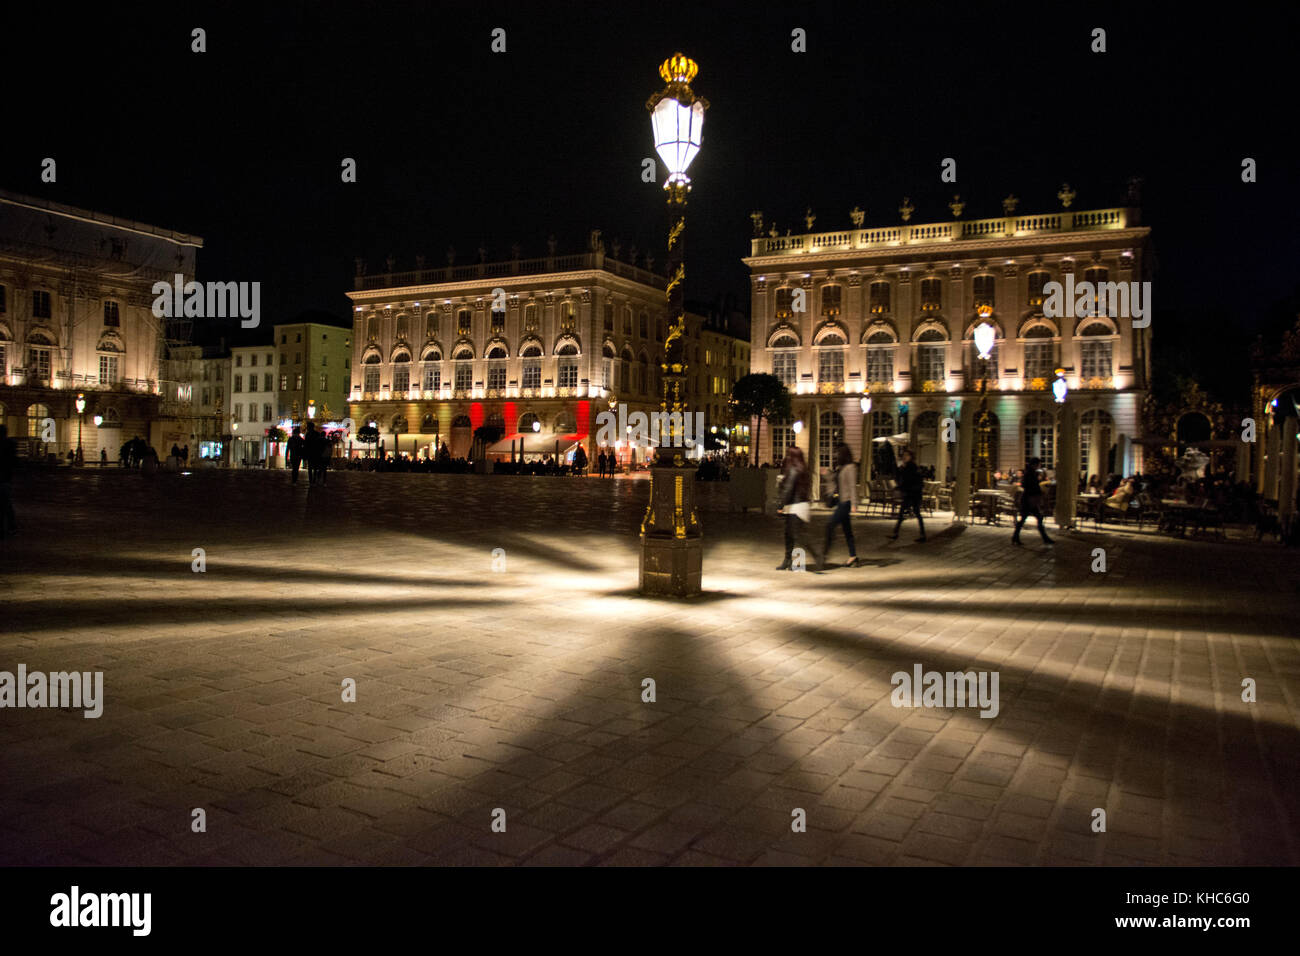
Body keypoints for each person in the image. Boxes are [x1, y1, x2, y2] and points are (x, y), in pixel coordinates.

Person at [776, 446, 820, 570]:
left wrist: (780, 506)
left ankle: (817, 556)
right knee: (789, 534)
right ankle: (787, 560)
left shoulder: (794, 470)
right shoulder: (803, 470)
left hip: (795, 507)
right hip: (801, 506)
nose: (787, 457)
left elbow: (788, 489)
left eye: (788, 455)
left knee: (797, 535)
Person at [823, 442, 859, 568]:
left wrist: (854, 504)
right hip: (840, 501)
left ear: (843, 453)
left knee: (830, 525)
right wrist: (828, 474)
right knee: (847, 530)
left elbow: (852, 486)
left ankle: (824, 554)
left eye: (837, 452)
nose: (835, 454)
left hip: (846, 502)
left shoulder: (850, 467)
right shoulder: (841, 467)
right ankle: (853, 556)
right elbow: (835, 483)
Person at [1013, 456, 1054, 545]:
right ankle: (1045, 538)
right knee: (1036, 518)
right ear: (1035, 464)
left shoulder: (1029, 473)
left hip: (1027, 499)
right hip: (1029, 499)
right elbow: (1030, 486)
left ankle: (1015, 537)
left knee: (1027, 518)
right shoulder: (1031, 473)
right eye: (1039, 464)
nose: (1039, 465)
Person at [888, 448, 926, 542]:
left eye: (906, 455)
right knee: (906, 514)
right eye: (904, 455)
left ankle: (922, 535)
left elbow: (908, 481)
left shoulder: (911, 467)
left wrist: (901, 487)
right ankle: (896, 532)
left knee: (915, 513)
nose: (904, 457)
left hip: (913, 494)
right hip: (911, 494)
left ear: (911, 457)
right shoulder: (908, 467)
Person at [0, 425, 17, 538]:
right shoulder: (11, 444)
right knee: (6, 505)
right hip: (6, 478)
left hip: (2, 478)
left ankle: (3, 528)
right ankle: (11, 527)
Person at [303, 421, 325, 485]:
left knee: (310, 467)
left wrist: (305, 453)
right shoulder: (316, 434)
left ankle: (311, 480)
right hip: (316, 453)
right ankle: (314, 479)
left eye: (308, 427)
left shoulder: (308, 434)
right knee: (315, 467)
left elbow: (306, 444)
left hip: (311, 453)